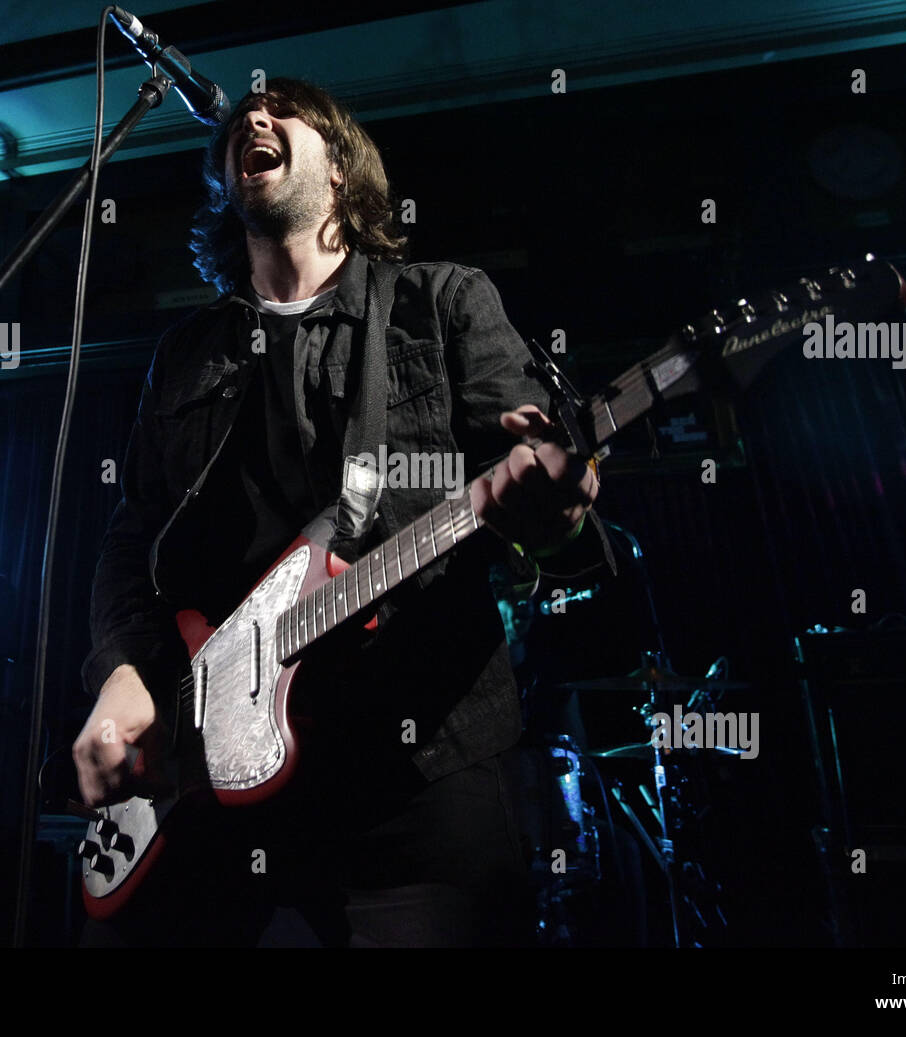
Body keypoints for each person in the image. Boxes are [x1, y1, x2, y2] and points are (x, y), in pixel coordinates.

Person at [73, 77, 612, 947]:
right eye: (242, 120)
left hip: (416, 779)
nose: (254, 118)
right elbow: (132, 539)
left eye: (284, 113)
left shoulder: (440, 304)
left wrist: (559, 511)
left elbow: (543, 499)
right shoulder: (186, 353)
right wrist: (123, 677)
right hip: (204, 777)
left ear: (340, 169)